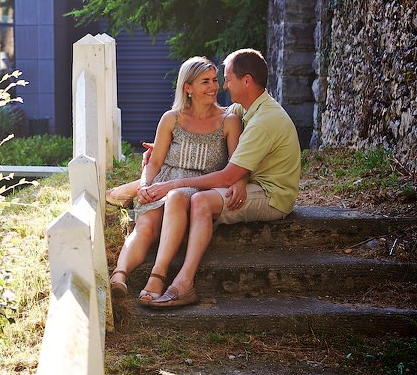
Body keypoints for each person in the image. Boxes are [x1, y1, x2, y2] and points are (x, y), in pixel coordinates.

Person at [136, 48, 301, 308]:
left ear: (246, 81)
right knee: (193, 198)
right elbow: (208, 119)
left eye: (228, 79)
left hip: (273, 195)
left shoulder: (265, 121)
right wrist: (164, 148)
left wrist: (172, 183)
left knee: (200, 202)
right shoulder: (246, 108)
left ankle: (184, 283)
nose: (223, 86)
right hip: (253, 182)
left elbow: (228, 176)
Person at [109, 57, 242, 301]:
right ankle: (119, 276)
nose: (213, 86)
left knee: (176, 197)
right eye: (205, 82)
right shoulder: (172, 118)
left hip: (199, 187)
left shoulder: (229, 120)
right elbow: (156, 162)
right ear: (187, 88)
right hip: (164, 180)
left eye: (214, 80)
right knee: (145, 226)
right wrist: (146, 184)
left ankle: (157, 276)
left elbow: (235, 166)